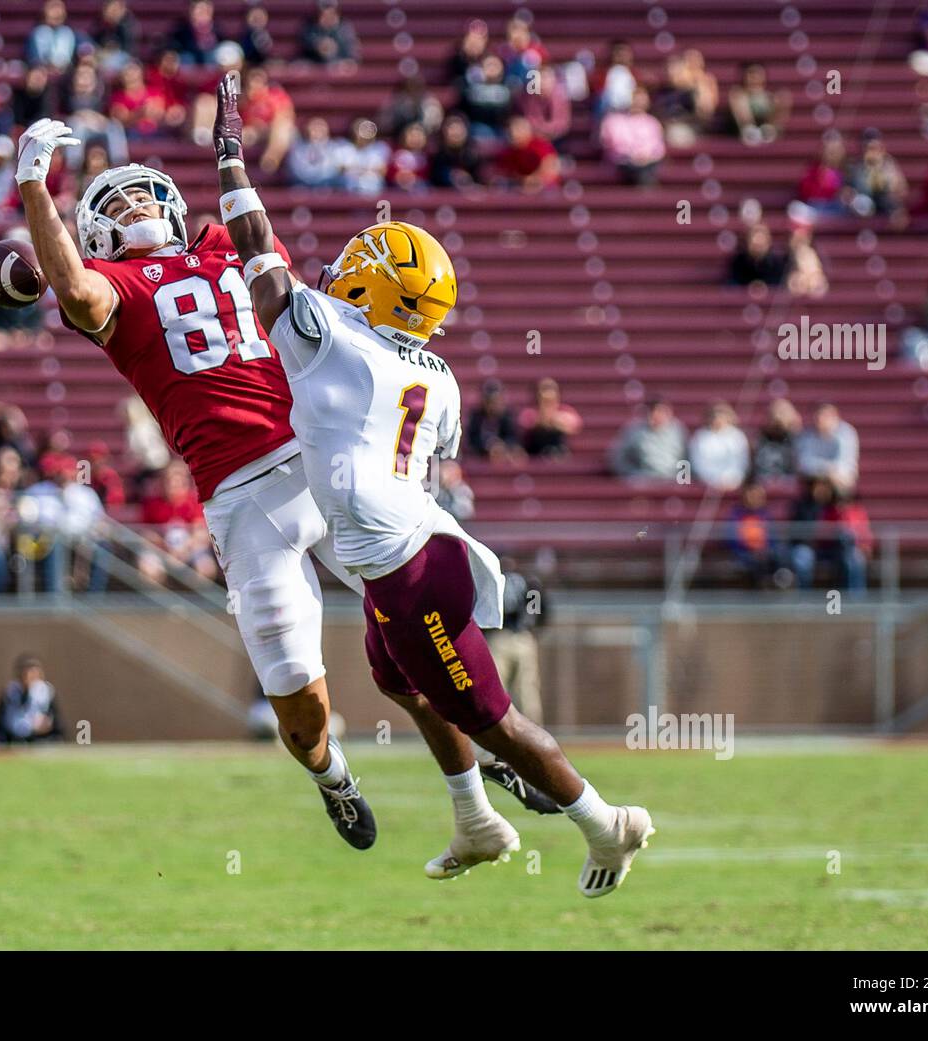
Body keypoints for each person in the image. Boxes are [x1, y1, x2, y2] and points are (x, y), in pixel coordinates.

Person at [13, 116, 555, 854]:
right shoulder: (113, 291)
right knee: (298, 700)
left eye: (146, 196)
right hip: (241, 498)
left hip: (320, 460)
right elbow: (73, 289)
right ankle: (332, 775)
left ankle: (491, 750)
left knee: (416, 619)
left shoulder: (219, 245)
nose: (137, 209)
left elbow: (272, 257)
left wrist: (233, 158)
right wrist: (33, 185)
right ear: (97, 234)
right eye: (119, 205)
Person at [215, 76, 654, 896]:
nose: (345, 270)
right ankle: (476, 818)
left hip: (409, 570)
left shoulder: (329, 337)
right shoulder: (440, 374)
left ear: (377, 287)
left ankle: (606, 822)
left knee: (493, 720)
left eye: (362, 266)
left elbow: (256, 249)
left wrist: (232, 159)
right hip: (419, 546)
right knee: (395, 680)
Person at [485, 559, 549, 727]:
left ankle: (498, 736)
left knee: (497, 690)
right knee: (527, 692)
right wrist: (533, 630)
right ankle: (534, 737)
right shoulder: (530, 582)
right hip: (522, 637)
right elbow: (538, 612)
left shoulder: (492, 581)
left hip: (499, 638)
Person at [599, 86, 665, 186]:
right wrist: (632, 156)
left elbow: (658, 149)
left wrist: (645, 156)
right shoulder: (613, 120)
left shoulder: (653, 122)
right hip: (623, 164)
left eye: (642, 100)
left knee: (646, 172)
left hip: (647, 164)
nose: (639, 103)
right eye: (636, 99)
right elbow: (612, 145)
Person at [0, 655, 63, 743]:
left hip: (39, 739)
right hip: (13, 739)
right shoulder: (9, 693)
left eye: (35, 673)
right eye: (28, 673)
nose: (31, 677)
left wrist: (47, 724)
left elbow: (56, 723)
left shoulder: (46, 693)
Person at [611, 397, 686, 479]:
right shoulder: (635, 432)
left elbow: (686, 458)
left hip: (672, 480)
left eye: (662, 412)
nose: (658, 416)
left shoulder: (678, 431)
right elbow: (618, 459)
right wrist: (633, 475)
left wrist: (683, 481)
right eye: (654, 412)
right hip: (644, 480)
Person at [796, 403, 859, 494]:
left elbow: (845, 463)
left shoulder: (846, 433)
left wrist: (827, 472)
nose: (821, 420)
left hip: (839, 478)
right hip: (815, 478)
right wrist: (827, 472)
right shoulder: (807, 436)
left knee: (842, 482)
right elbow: (805, 463)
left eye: (825, 416)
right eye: (818, 416)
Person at [728, 481, 781, 588]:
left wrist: (765, 550)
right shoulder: (736, 515)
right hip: (743, 554)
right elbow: (731, 539)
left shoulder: (766, 515)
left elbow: (773, 539)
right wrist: (751, 550)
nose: (754, 499)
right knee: (755, 563)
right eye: (752, 495)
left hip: (765, 553)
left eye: (758, 496)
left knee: (780, 556)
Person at [688, 401, 749, 490]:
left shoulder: (737, 436)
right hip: (707, 483)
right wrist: (713, 480)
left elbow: (741, 462)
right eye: (714, 416)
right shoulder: (699, 437)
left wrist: (731, 479)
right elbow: (697, 463)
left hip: (733, 483)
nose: (717, 419)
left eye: (721, 416)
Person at [728, 61, 789, 145]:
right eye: (751, 74)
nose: (755, 77)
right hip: (745, 129)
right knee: (738, 97)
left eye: (757, 74)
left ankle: (768, 131)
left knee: (783, 96)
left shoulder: (769, 96)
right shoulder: (738, 94)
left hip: (767, 125)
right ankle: (750, 132)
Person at [519, 377, 580, 456]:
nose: (548, 392)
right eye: (544, 388)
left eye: (551, 388)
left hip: (559, 452)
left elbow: (574, 427)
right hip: (535, 452)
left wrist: (555, 421)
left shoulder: (566, 410)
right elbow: (527, 426)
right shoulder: (529, 412)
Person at [466, 380, 521, 461]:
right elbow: (472, 440)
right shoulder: (476, 417)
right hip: (481, 456)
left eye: (495, 401)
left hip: (504, 455)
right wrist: (488, 445)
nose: (492, 405)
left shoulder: (507, 417)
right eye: (489, 402)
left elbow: (512, 438)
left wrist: (501, 446)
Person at [300, 0, 358, 65]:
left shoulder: (345, 29)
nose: (327, 17)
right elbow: (306, 44)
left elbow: (351, 54)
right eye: (323, 14)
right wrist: (317, 44)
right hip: (315, 64)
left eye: (331, 14)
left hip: (338, 64)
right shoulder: (310, 26)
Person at [729, 223, 785, 288]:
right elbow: (734, 285)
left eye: (761, 245)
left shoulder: (776, 264)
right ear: (748, 242)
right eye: (755, 245)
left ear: (768, 242)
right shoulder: (739, 262)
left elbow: (778, 286)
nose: (758, 248)